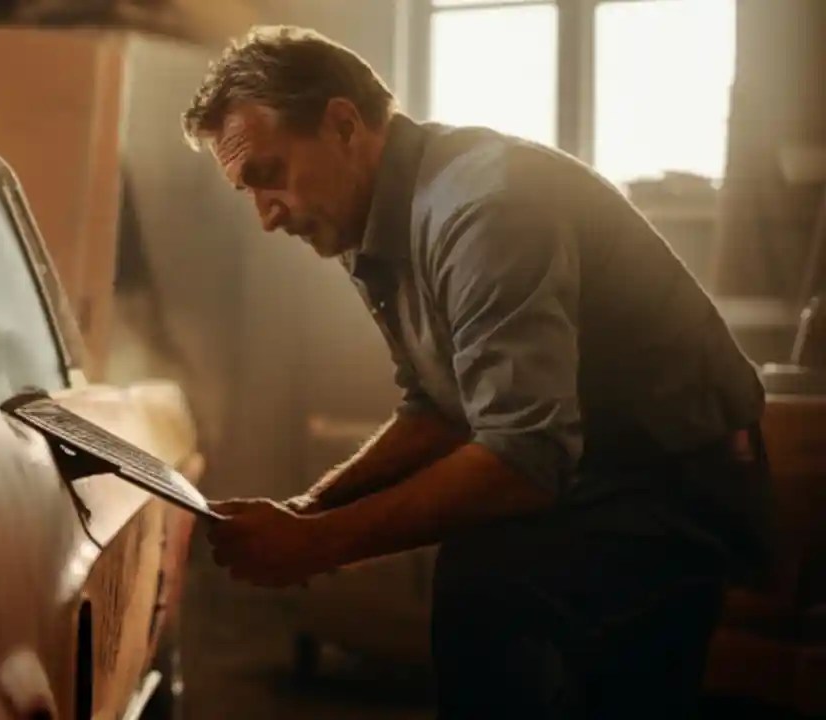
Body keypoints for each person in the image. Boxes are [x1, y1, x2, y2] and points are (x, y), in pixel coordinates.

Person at [184, 26, 773, 718]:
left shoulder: (485, 206)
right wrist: (311, 509)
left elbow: (525, 456)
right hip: (588, 472)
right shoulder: (364, 219)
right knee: (481, 590)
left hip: (670, 482)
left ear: (343, 125)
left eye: (268, 174)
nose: (265, 216)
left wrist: (316, 542)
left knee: (486, 586)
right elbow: (438, 405)